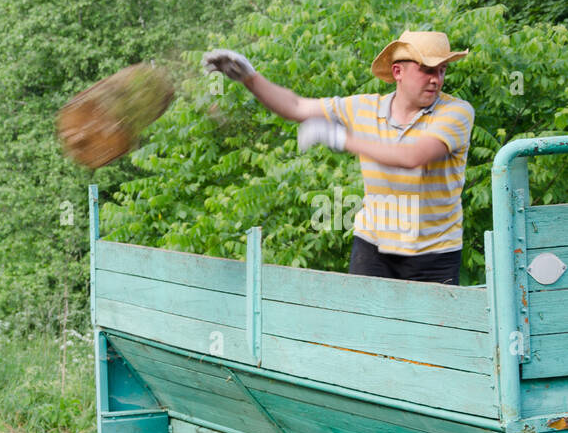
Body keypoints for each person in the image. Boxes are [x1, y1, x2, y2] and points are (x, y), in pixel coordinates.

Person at [203, 30, 474, 285]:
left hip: (435, 253)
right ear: (397, 71)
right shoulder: (363, 107)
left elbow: (412, 156)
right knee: (362, 332)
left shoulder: (456, 112)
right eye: (426, 70)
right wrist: (250, 79)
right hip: (373, 246)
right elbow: (296, 106)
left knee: (429, 335)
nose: (436, 79)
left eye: (442, 70)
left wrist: (340, 139)